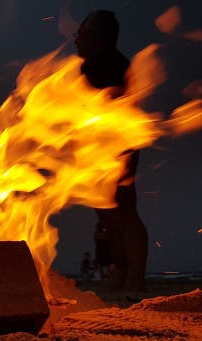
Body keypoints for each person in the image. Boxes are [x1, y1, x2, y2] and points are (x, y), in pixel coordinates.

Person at [75, 10, 148, 292]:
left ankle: (133, 279)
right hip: (100, 147)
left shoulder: (108, 63)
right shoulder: (97, 64)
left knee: (125, 211)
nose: (76, 40)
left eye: (80, 34)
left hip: (116, 146)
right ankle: (122, 275)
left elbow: (111, 108)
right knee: (108, 215)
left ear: (96, 36)